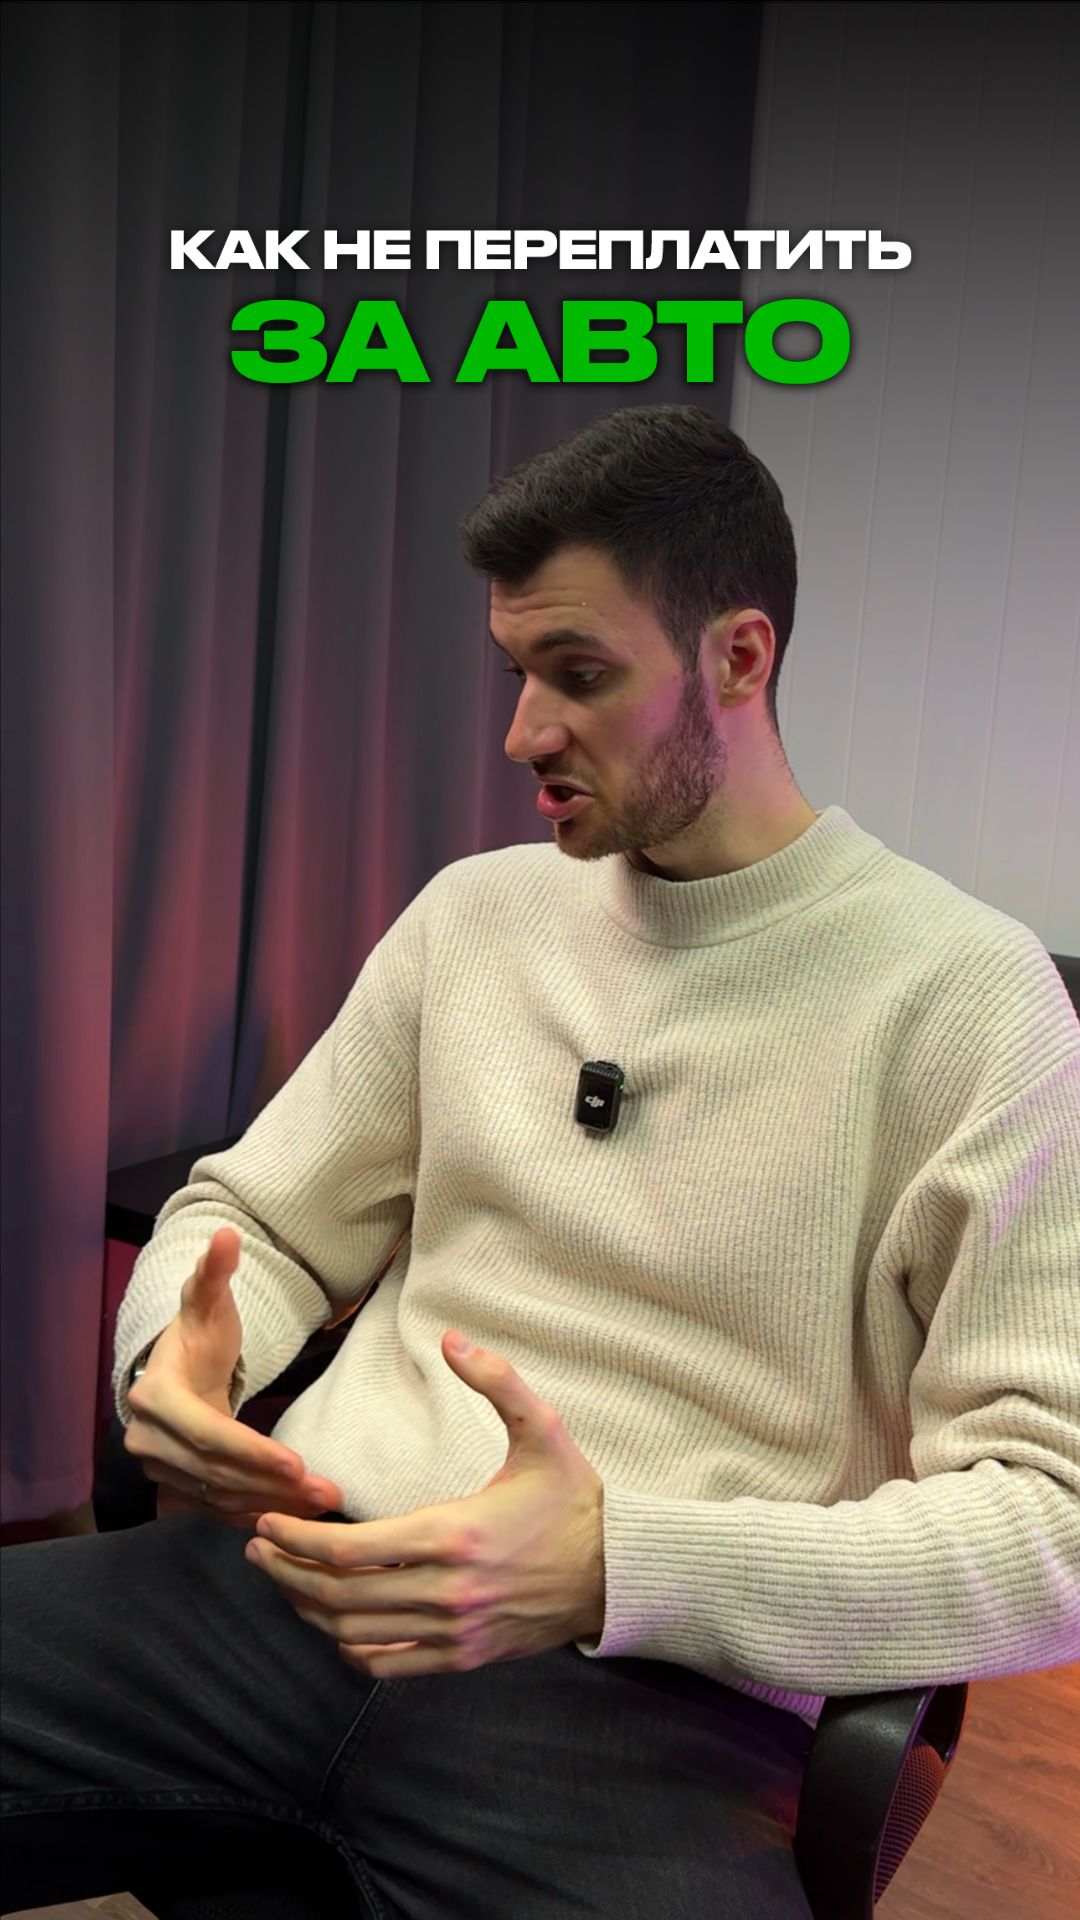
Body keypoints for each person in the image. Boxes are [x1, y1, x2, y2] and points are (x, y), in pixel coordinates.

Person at [3, 405, 1078, 1920]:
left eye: (578, 675)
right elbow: (255, 1215)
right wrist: (182, 1357)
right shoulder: (476, 917)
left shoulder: (967, 1002)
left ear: (738, 658)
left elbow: (1052, 1521)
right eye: (516, 672)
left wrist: (615, 1562)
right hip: (294, 1590)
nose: (521, 733)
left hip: (647, 1707)